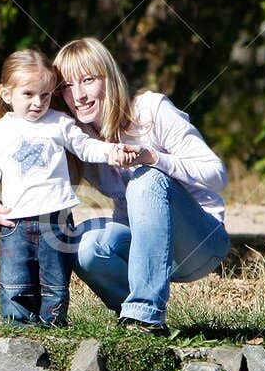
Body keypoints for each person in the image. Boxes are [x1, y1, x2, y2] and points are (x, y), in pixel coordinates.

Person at [41, 37, 231, 335]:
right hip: (144, 247)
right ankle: (137, 318)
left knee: (147, 177)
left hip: (198, 244)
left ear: (110, 78)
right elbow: (44, 188)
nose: (78, 95)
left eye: (87, 80)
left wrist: (153, 158)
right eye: (67, 86)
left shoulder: (151, 109)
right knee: (83, 244)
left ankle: (146, 314)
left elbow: (217, 174)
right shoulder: (80, 138)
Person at [0, 49, 132, 327]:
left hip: (56, 217)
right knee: (15, 279)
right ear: (7, 95)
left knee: (55, 279)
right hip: (15, 221)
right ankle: (18, 327)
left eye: (45, 95)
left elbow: (85, 146)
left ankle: (53, 324)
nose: (38, 103)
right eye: (28, 94)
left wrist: (111, 151)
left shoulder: (58, 123)